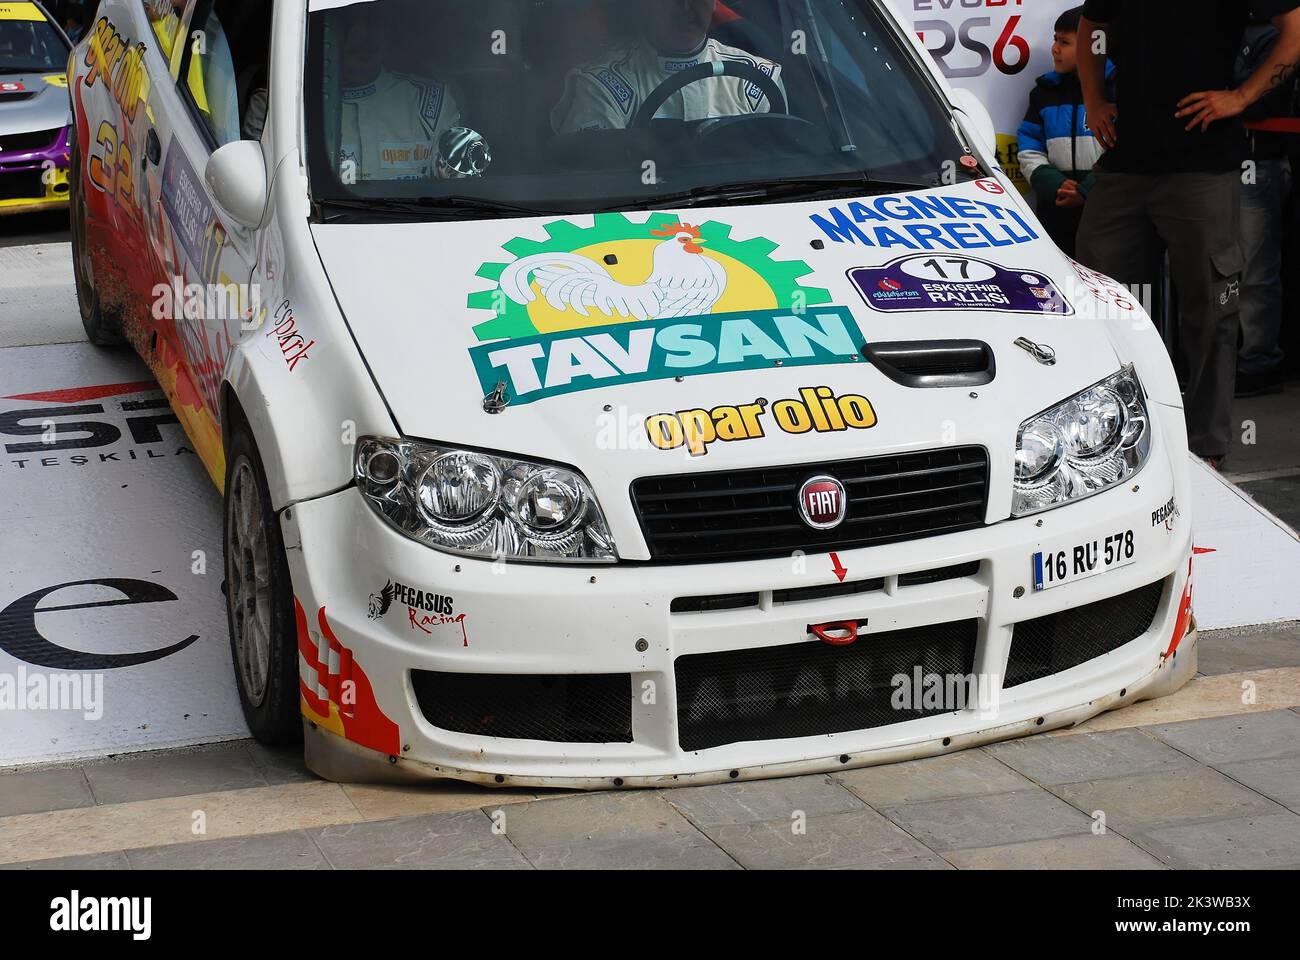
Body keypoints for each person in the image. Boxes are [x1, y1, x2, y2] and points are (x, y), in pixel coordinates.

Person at [1076, 0, 1300, 468]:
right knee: (1098, 305)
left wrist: (1240, 97)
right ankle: (1107, 444)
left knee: (1212, 309)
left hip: (1205, 165)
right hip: (1126, 164)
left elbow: (1295, 32)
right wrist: (1094, 100)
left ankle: (1206, 449)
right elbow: (1091, 26)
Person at [552, 0, 784, 134]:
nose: (685, 7)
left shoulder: (759, 79)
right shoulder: (601, 87)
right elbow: (599, 192)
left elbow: (780, 173)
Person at [1017, 6, 1114, 256]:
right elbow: (1029, 147)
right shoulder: (1043, 93)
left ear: (1092, 46)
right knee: (1065, 287)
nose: (1054, 49)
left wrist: (1087, 190)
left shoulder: (1117, 90)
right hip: (1056, 210)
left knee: (1108, 282)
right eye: (1054, 39)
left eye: (1065, 42)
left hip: (1108, 210)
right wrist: (1051, 183)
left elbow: (1126, 147)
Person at [1236, 18, 1299, 396]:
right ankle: (1224, 358)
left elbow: (1263, 101)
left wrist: (1233, 92)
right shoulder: (1216, 30)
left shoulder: (1273, 31)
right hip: (1209, 164)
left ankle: (1259, 361)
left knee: (1255, 271)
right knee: (1211, 270)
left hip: (1258, 161)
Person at [334, 8, 461, 181]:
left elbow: (453, 195)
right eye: (349, 20)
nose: (363, 35)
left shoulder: (430, 102)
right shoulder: (295, 106)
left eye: (374, 20)